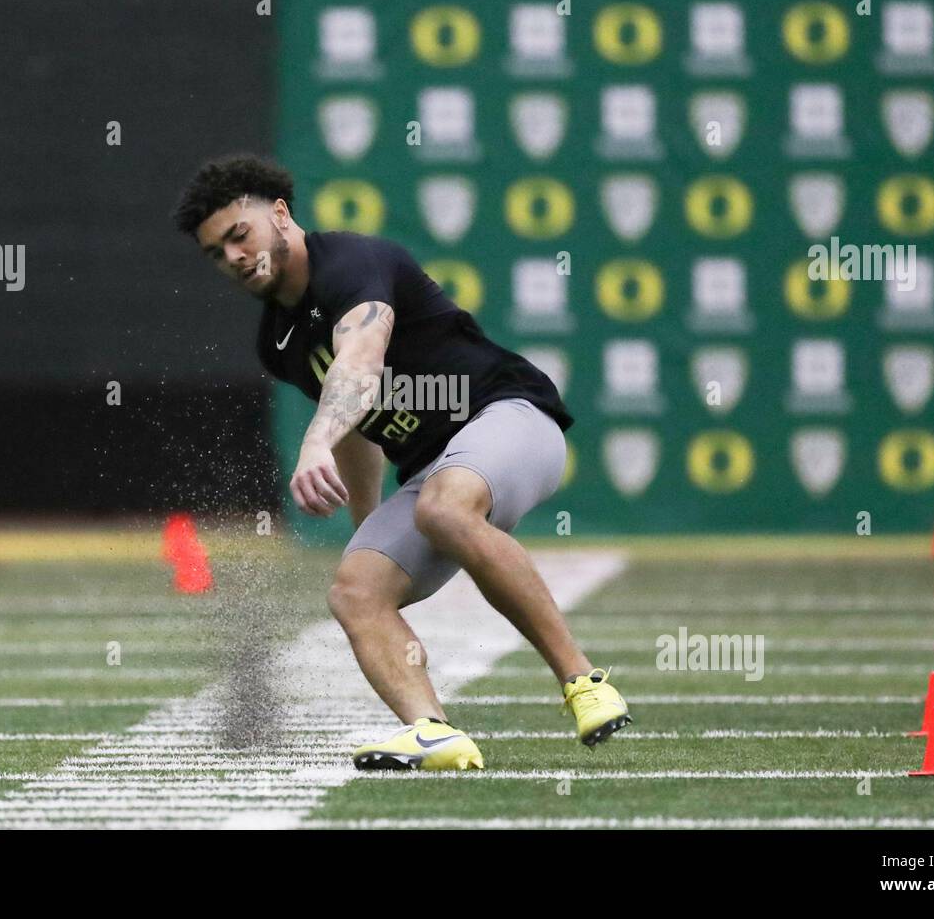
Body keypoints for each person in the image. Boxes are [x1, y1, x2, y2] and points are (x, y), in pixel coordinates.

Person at [172, 154, 630, 770]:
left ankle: (584, 682)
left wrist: (311, 443)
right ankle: (433, 731)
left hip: (509, 416)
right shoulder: (275, 340)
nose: (231, 256)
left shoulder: (352, 263)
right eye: (214, 251)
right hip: (432, 471)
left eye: (238, 234)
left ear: (280, 215)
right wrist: (368, 520)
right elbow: (355, 427)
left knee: (445, 507)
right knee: (355, 591)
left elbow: (358, 365)